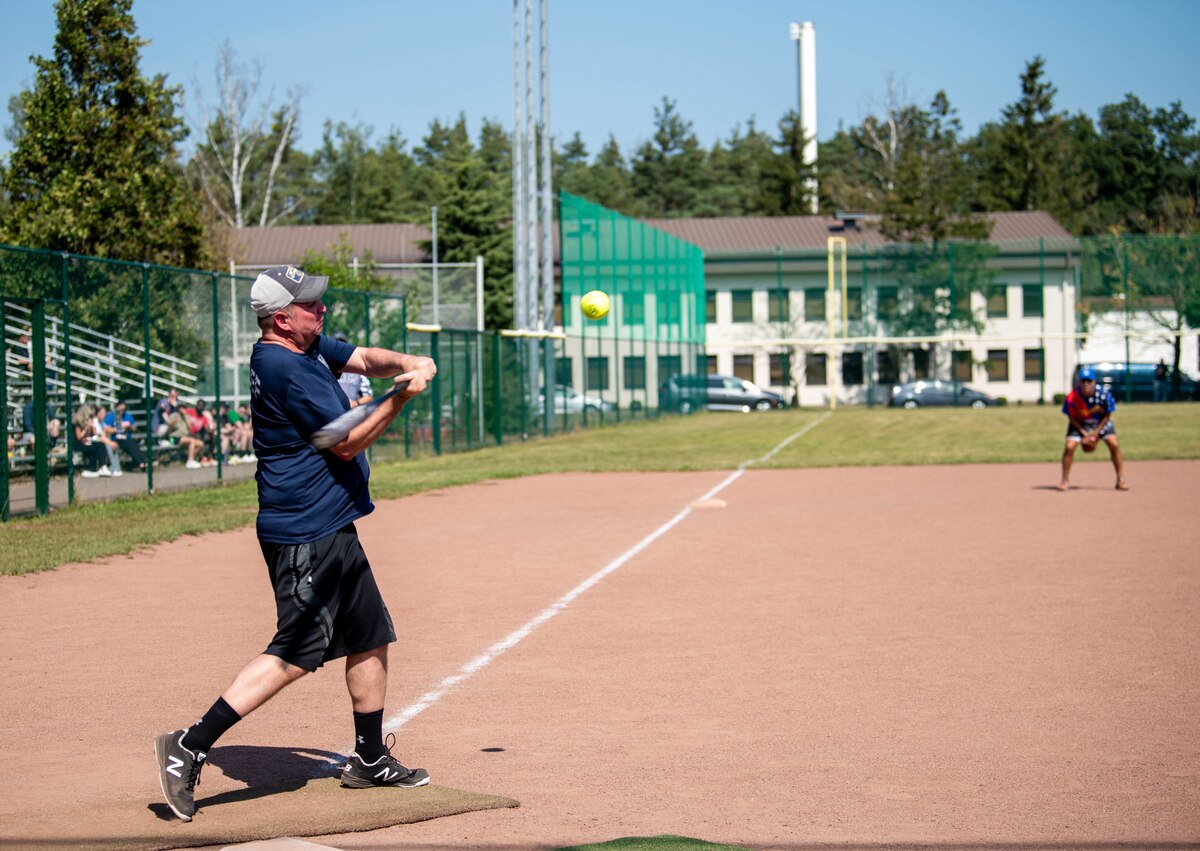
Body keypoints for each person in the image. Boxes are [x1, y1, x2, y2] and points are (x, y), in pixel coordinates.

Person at [154, 264, 437, 822]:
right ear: (281, 319)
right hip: (305, 531)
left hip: (332, 524)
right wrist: (401, 397)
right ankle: (190, 743)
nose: (321, 309)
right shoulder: (288, 366)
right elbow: (347, 442)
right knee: (297, 651)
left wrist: (402, 362)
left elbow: (359, 357)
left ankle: (370, 757)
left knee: (369, 634)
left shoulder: (301, 347)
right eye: (310, 305)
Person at [1058, 367, 1128, 492]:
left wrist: (1096, 434)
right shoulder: (1072, 397)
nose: (1086, 385)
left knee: (1114, 444)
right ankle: (1064, 480)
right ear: (1079, 383)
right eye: (1083, 382)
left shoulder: (1104, 395)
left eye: (1089, 381)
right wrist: (1084, 434)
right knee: (1069, 447)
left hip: (1100, 422)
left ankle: (1120, 480)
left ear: (1094, 382)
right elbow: (1071, 417)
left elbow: (1107, 415)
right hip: (1079, 423)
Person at [332, 332, 375, 409]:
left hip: (351, 415)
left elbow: (369, 397)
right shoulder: (324, 368)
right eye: (336, 344)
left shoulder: (357, 370)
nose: (339, 347)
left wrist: (355, 403)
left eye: (342, 344)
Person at [104, 400, 146, 470]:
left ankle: (143, 462)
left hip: (126, 437)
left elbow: (134, 428)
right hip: (116, 438)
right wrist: (119, 428)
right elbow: (107, 429)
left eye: (123, 410)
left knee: (134, 445)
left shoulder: (127, 416)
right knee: (129, 444)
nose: (122, 411)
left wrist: (130, 427)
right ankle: (141, 462)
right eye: (120, 409)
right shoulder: (111, 416)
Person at [71, 404, 109, 477]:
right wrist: (86, 428)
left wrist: (92, 427)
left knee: (100, 444)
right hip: (78, 444)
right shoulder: (77, 422)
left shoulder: (88, 421)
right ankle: (91, 468)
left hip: (86, 441)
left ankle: (102, 466)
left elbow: (95, 435)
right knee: (92, 448)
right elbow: (79, 437)